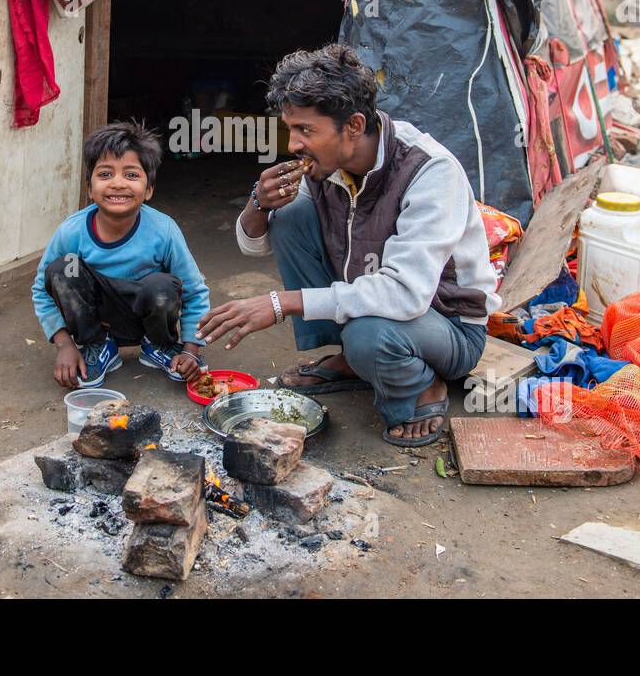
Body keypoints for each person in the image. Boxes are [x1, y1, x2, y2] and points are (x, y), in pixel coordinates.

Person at [197, 44, 500, 447]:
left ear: (354, 125)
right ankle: (352, 360)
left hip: (448, 326)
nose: (294, 145)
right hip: (377, 305)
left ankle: (421, 387)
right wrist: (259, 204)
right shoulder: (328, 165)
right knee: (289, 215)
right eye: (292, 129)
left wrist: (280, 303)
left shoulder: (429, 171)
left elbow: (406, 294)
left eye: (306, 130)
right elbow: (262, 243)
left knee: (368, 336)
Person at [33, 121, 210, 389]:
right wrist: (64, 344)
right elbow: (41, 289)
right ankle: (99, 346)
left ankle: (158, 346)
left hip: (148, 312)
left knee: (162, 284)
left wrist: (190, 349)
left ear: (149, 189)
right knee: (62, 269)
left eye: (131, 175)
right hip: (98, 318)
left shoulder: (163, 230)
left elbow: (194, 291)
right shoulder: (72, 231)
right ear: (90, 189)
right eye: (105, 175)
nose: (117, 184)